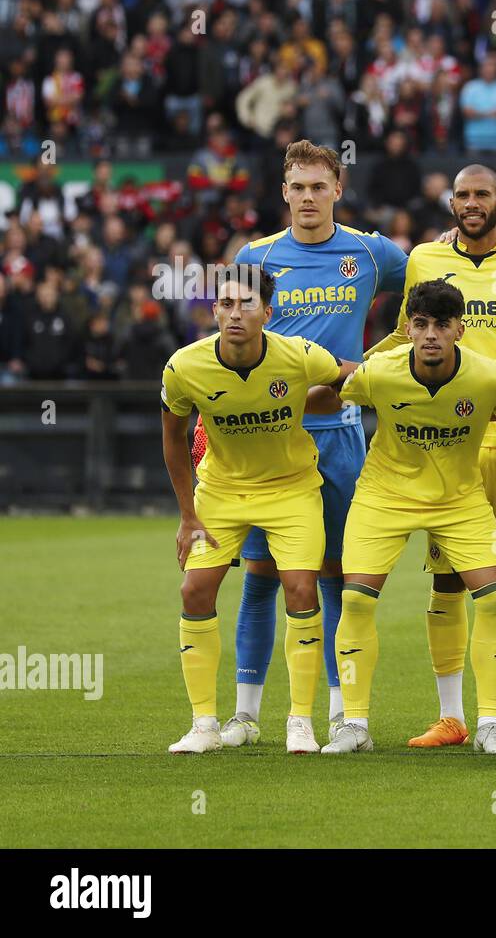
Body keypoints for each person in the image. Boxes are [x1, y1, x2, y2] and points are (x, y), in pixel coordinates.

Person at [368, 165, 496, 751]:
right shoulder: (424, 261)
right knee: (448, 582)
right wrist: (348, 371)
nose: (471, 202)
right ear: (450, 201)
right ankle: (452, 716)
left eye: (481, 194)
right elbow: (404, 337)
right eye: (461, 194)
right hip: (447, 448)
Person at [319, 279, 496, 754]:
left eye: (441, 324)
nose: (430, 334)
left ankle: (490, 724)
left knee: (495, 601)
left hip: (459, 499)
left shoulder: (487, 376)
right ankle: (353, 725)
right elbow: (334, 394)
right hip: (384, 495)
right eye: (420, 324)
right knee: (355, 602)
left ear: (459, 329)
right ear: (408, 329)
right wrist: (278, 411)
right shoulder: (380, 372)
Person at [219, 140, 408, 750]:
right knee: (261, 575)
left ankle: (341, 715)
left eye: (317, 187)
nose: (307, 198)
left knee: (334, 576)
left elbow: (439, 277)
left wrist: (380, 360)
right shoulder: (257, 255)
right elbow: (233, 334)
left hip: (339, 440)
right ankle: (246, 716)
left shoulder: (371, 253)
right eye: (297, 187)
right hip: (267, 441)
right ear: (283, 192)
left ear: (338, 189)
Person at [159, 267, 356, 754]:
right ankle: (204, 724)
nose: (234, 313)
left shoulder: (298, 354)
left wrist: (317, 401)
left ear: (268, 314)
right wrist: (188, 516)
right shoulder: (184, 367)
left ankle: (300, 722)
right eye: (225, 304)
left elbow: (349, 377)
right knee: (195, 590)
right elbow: (172, 436)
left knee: (301, 587)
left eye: (246, 304)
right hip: (221, 493)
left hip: (291, 490)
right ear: (214, 312)